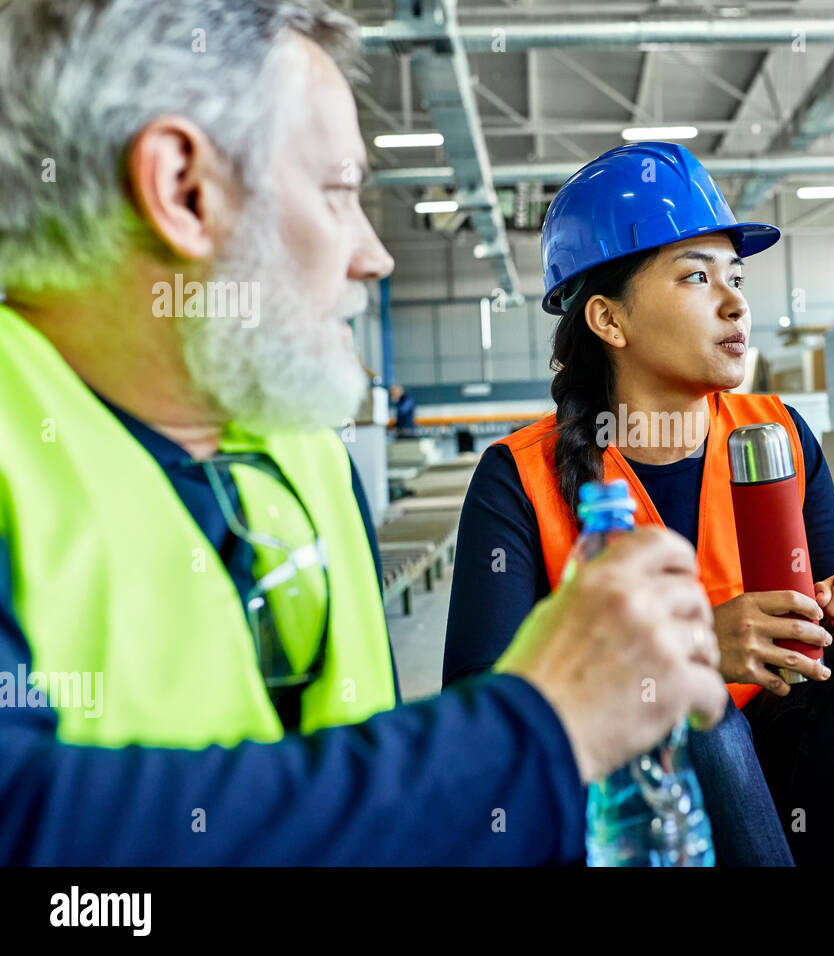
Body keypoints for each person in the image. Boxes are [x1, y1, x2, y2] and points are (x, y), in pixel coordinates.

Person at [0, 0, 727, 865]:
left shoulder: (303, 452)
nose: (374, 255)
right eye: (340, 194)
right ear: (183, 190)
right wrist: (533, 730)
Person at [443, 142, 834, 866]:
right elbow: (476, 723)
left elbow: (826, 611)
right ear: (609, 321)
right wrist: (689, 649)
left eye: (735, 276)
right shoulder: (518, 478)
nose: (736, 301)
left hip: (761, 771)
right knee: (690, 709)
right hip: (617, 799)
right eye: (696, 277)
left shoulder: (779, 436)